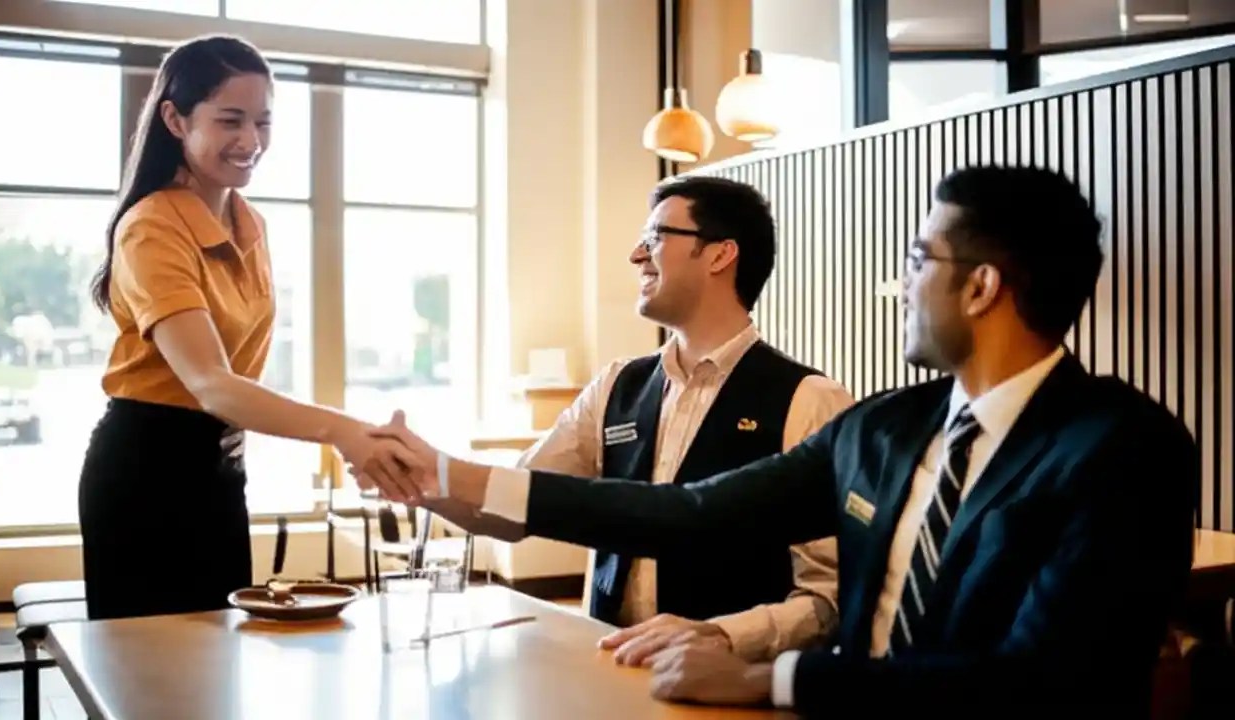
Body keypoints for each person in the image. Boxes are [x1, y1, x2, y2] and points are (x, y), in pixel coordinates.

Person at [363, 165, 1198, 716]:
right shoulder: (883, 428)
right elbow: (688, 513)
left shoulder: (1124, 449)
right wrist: (454, 475)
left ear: (980, 286)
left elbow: (1045, 683)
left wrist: (773, 675)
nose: (897, 285)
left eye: (917, 260)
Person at [448, 176, 853, 649]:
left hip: (727, 694)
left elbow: (829, 596)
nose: (637, 256)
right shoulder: (615, 386)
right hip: (609, 674)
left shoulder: (809, 399)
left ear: (721, 254)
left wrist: (721, 636)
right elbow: (512, 508)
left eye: (656, 238)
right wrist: (418, 476)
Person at [80, 35, 399, 621]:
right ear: (175, 118)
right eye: (231, 120)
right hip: (145, 472)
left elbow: (235, 386)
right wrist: (343, 430)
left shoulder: (249, 222)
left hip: (219, 469)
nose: (251, 141)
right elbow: (212, 383)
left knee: (217, 666)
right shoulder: (151, 226)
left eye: (263, 122)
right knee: (148, 681)